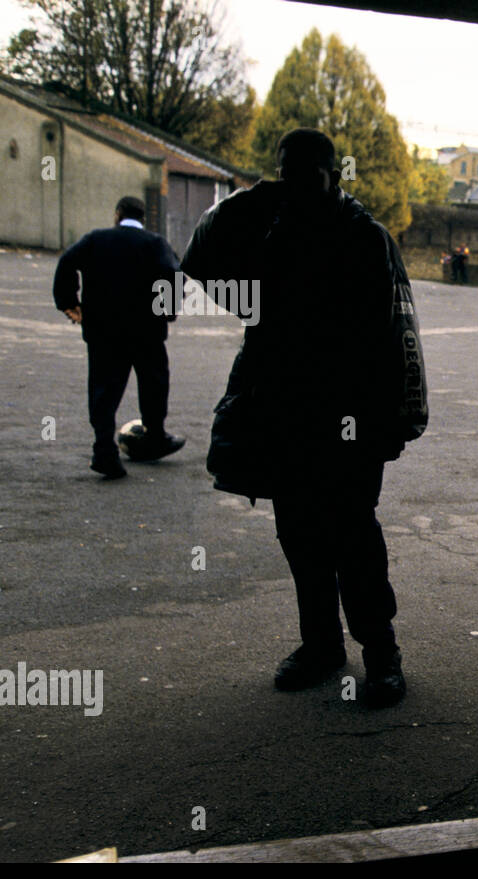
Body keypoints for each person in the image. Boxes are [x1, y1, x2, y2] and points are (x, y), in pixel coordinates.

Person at [179, 128, 428, 708]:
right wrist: (258, 194)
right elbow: (201, 260)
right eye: (284, 174)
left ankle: (382, 655)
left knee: (354, 538)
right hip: (286, 414)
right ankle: (320, 646)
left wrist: (393, 418)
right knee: (299, 536)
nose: (294, 186)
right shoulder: (272, 230)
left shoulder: (365, 239)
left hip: (351, 418)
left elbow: (397, 333)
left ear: (334, 174)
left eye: (306, 174)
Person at [52, 196, 186, 479]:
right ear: (142, 219)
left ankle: (104, 450)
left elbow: (66, 261)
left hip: (103, 330)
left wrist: (69, 302)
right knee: (153, 383)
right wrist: (169, 311)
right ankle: (155, 435)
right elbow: (174, 276)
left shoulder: (95, 240)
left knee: (103, 390)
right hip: (146, 331)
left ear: (117, 214)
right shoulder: (155, 243)